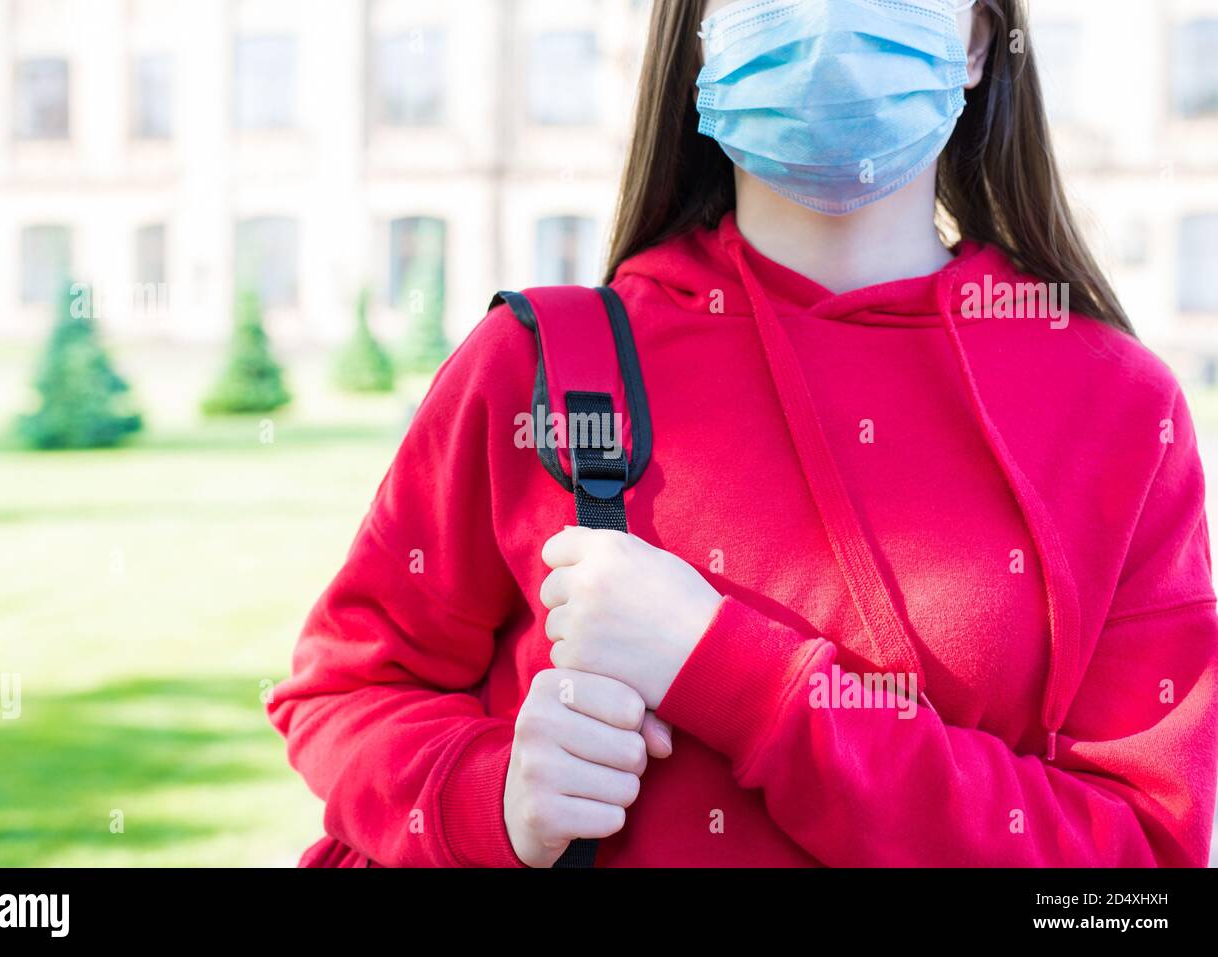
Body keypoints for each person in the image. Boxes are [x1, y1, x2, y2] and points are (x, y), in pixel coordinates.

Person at [269, 0, 1218, 867]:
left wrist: (732, 672)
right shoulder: (536, 365)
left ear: (978, 39)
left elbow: (1135, 872)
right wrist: (488, 796)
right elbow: (342, 693)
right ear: (699, 38)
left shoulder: (1122, 411)